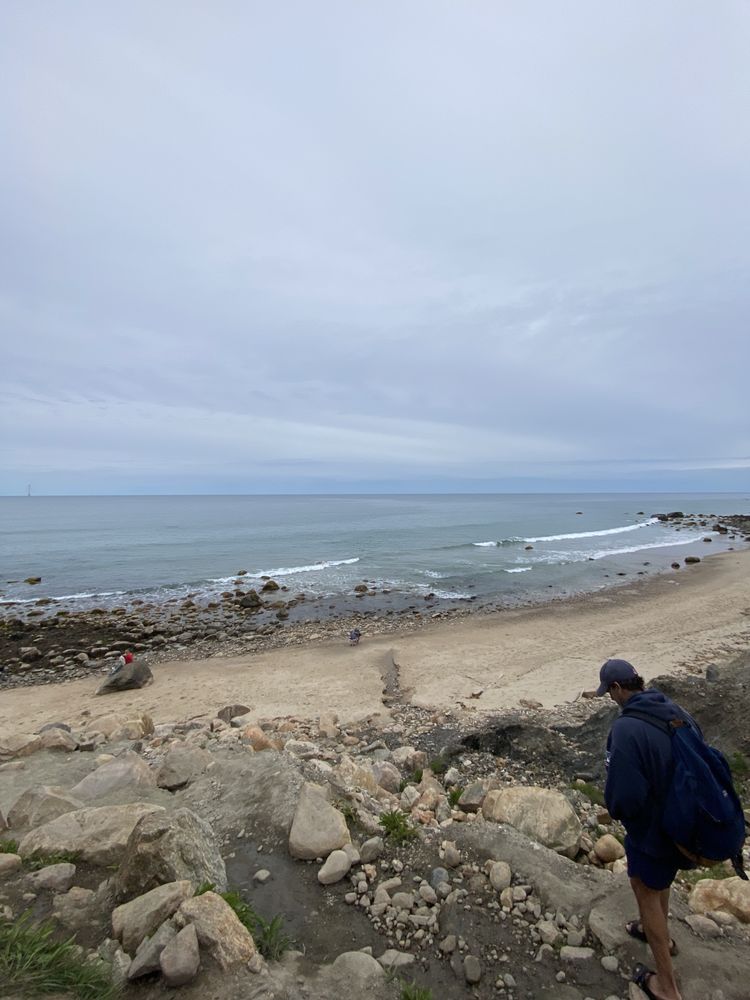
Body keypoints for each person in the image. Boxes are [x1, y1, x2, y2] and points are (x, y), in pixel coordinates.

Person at [596, 657, 696, 1000]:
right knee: (660, 882)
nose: (610, 699)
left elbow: (624, 793)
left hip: (652, 828)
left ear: (617, 688)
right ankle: (661, 936)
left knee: (644, 889)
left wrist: (619, 813)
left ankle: (666, 987)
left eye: (608, 693)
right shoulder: (668, 705)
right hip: (683, 820)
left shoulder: (625, 728)